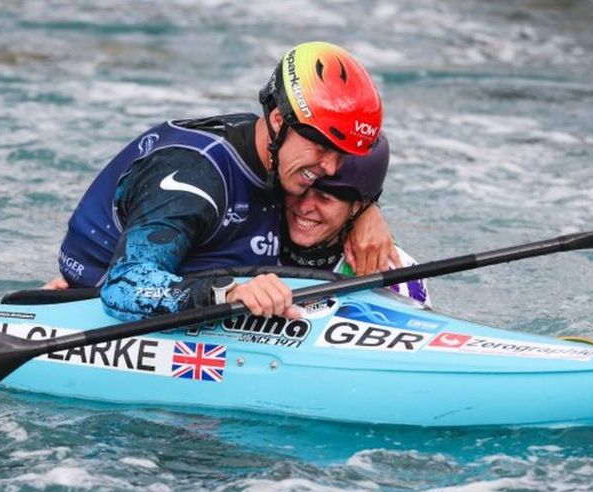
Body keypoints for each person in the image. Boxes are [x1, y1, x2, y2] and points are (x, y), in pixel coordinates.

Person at [50, 41, 399, 321]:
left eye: (342, 154)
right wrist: (227, 293)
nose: (331, 167)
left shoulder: (282, 160)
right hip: (98, 312)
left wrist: (364, 211)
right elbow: (124, 287)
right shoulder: (192, 176)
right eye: (323, 147)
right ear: (279, 121)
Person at [280, 134, 432, 307]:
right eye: (299, 190)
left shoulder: (393, 272)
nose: (304, 207)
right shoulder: (253, 221)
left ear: (358, 205)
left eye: (324, 198)